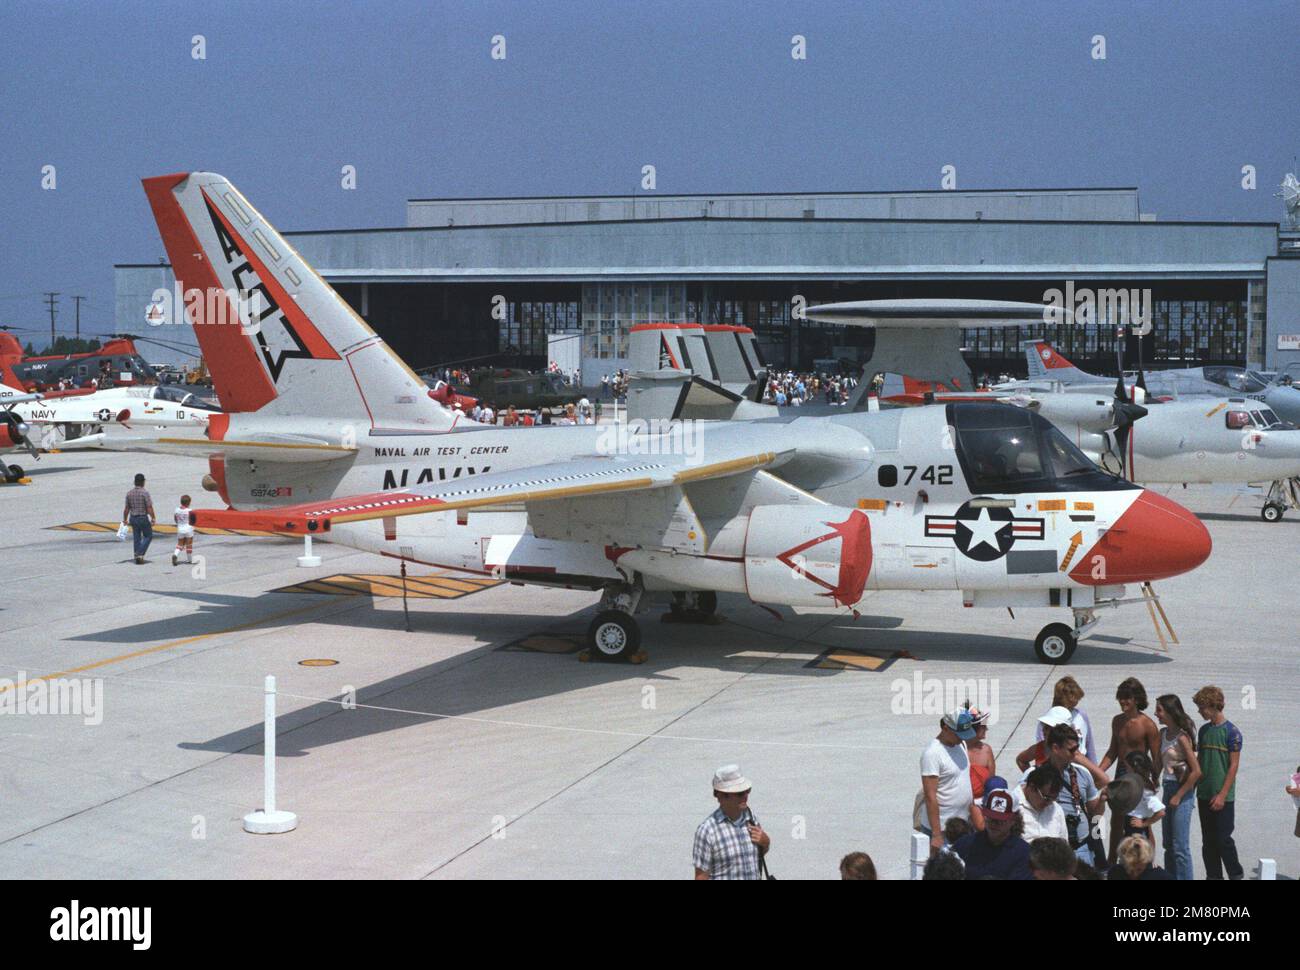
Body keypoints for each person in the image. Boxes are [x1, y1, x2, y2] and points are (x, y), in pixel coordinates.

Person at [1099, 677, 1161, 859]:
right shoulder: (1117, 721)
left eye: (1127, 698)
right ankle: (1112, 862)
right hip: (1121, 776)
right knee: (1116, 821)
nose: (1123, 702)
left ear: (1136, 699)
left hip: (1139, 778)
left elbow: (1157, 758)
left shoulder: (1147, 724)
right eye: (1121, 698)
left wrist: (1153, 781)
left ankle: (1150, 862)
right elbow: (1112, 751)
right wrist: (1098, 771)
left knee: (1142, 822)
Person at [1193, 685, 1244, 880]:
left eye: (1201, 707)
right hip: (1204, 794)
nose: (1199, 711)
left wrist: (1222, 795)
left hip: (1223, 796)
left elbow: (1233, 766)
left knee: (1223, 839)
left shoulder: (1232, 732)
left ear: (1212, 705)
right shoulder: (1204, 731)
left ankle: (1235, 874)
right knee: (1208, 841)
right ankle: (1213, 876)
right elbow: (1200, 762)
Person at [1042, 723, 1109, 867]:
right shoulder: (1036, 776)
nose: (1076, 753)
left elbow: (1094, 813)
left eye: (1077, 748)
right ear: (1055, 748)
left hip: (1080, 847)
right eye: (1071, 749)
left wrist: (1102, 801)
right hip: (1051, 851)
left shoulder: (1082, 774)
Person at [692, 764, 770, 880]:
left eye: (747, 791)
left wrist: (765, 842)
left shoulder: (751, 819)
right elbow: (701, 877)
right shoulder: (707, 831)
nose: (745, 797)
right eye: (740, 793)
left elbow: (754, 857)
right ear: (721, 796)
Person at [916, 710, 975, 855]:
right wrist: (936, 834)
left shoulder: (961, 746)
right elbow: (930, 796)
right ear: (946, 728)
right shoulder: (933, 754)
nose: (962, 739)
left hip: (963, 824)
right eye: (958, 735)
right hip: (942, 829)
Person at [1155, 693, 1201, 879]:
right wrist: (1151, 780)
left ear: (1170, 712)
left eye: (1159, 710)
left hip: (1182, 792)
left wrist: (1179, 795)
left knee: (1180, 846)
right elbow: (1159, 763)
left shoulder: (1182, 738)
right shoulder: (1163, 734)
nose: (1156, 714)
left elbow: (1197, 772)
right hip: (1168, 788)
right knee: (1168, 844)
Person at [951, 788, 1033, 880]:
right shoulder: (965, 844)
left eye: (1001, 820)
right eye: (991, 818)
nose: (994, 824)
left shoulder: (1023, 853)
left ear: (1013, 820)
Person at [1033, 675, 1097, 763]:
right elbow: (1043, 748)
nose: (1074, 704)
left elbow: (1089, 746)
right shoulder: (1048, 721)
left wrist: (1094, 767)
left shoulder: (1081, 715)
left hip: (1081, 763)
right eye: (1071, 702)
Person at [1014, 765, 1069, 841]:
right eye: (1046, 798)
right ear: (1032, 787)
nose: (1049, 803)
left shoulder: (1056, 809)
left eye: (1054, 798)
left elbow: (1064, 843)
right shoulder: (1012, 807)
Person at [1122, 751, 1165, 847]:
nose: (1126, 771)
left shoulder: (1145, 790)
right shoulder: (1135, 785)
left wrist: (1144, 824)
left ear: (1135, 769)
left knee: (1139, 858)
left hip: (1137, 832)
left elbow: (1161, 812)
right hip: (1129, 827)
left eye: (1127, 768)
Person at [121, 473, 156, 565]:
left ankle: (137, 556)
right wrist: (153, 517)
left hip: (133, 518)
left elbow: (126, 508)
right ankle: (139, 553)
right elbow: (149, 507)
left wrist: (125, 519)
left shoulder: (129, 493)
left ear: (135, 482)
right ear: (143, 482)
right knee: (148, 536)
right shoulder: (145, 493)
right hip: (142, 517)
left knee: (136, 537)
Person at [1107, 834, 1174, 880]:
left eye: (1139, 869)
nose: (1134, 874)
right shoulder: (1115, 873)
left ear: (1146, 863)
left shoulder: (1160, 877)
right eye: (1130, 870)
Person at [964, 705, 996, 802]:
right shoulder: (957, 749)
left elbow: (992, 782)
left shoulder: (986, 750)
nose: (986, 729)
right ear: (973, 728)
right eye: (983, 726)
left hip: (981, 802)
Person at [171, 494, 195, 566]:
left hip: (180, 529)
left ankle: (175, 554)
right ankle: (189, 559)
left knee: (180, 544)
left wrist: (179, 523)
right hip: (188, 529)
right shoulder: (190, 511)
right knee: (189, 544)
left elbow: (175, 519)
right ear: (188, 503)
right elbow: (192, 520)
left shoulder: (177, 510)